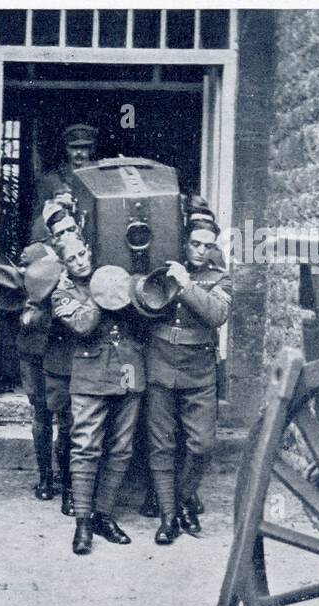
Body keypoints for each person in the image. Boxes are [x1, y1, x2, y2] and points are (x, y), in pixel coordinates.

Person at [50, 233, 146, 555]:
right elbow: (83, 325)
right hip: (90, 374)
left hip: (128, 369)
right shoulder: (61, 293)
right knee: (85, 448)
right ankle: (83, 523)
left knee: (121, 448)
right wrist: (101, 292)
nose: (81, 261)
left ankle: (104, 516)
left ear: (89, 250)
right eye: (73, 258)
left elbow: (145, 313)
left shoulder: (112, 274)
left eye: (83, 253)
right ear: (63, 264)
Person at [141, 219, 232, 543]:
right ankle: (169, 518)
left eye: (208, 246)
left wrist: (185, 285)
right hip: (161, 364)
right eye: (195, 243)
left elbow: (216, 315)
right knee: (162, 445)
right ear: (184, 242)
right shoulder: (162, 268)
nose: (201, 251)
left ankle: (180, 500)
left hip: (199, 371)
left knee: (202, 445)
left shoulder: (219, 277)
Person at [19, 204, 80, 511]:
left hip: (63, 349)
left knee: (67, 417)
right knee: (41, 414)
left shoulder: (81, 256)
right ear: (51, 236)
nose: (67, 236)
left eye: (71, 229)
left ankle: (69, 484)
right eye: (61, 232)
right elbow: (18, 296)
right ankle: (45, 477)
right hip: (34, 346)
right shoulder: (34, 256)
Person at [31, 124, 97, 242]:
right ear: (66, 149)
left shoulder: (100, 179)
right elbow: (38, 222)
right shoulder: (52, 180)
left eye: (84, 148)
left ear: (91, 149)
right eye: (73, 148)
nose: (79, 152)